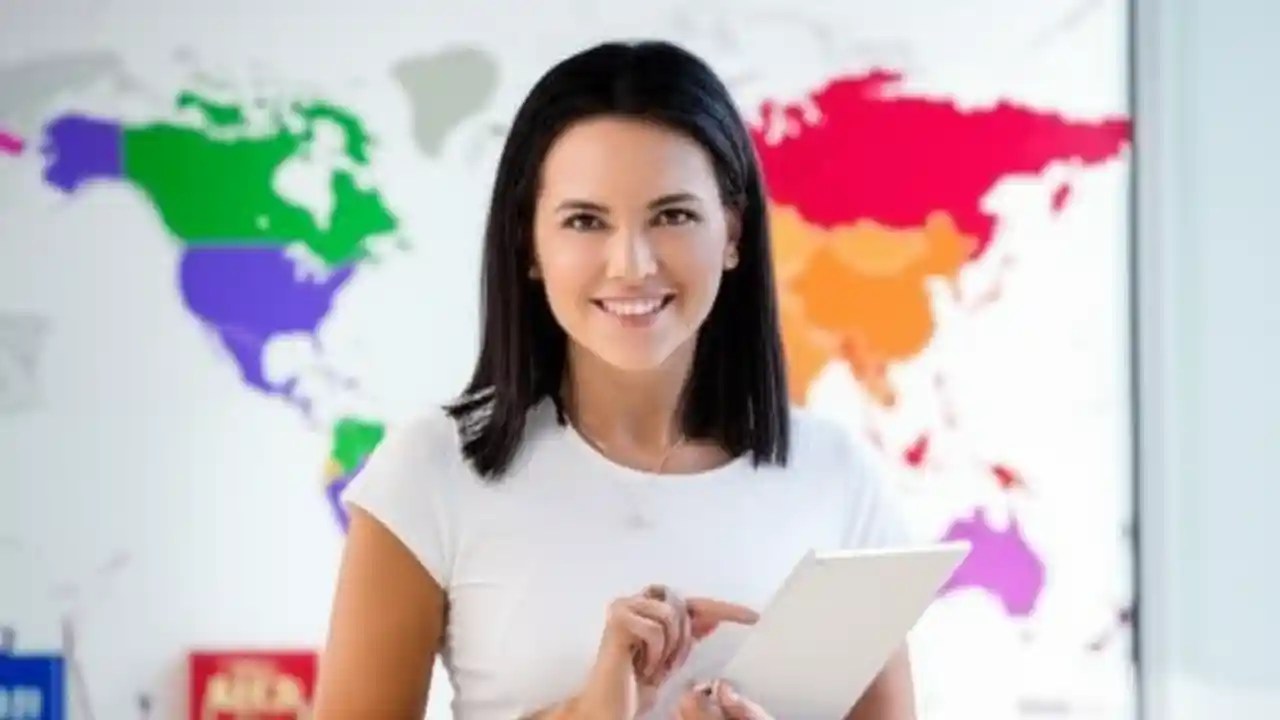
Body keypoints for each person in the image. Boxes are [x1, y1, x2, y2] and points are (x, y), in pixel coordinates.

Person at [313, 39, 917, 720]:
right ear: (529, 245)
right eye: (585, 221)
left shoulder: (836, 477)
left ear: (733, 232)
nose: (630, 263)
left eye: (673, 215)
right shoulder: (430, 469)